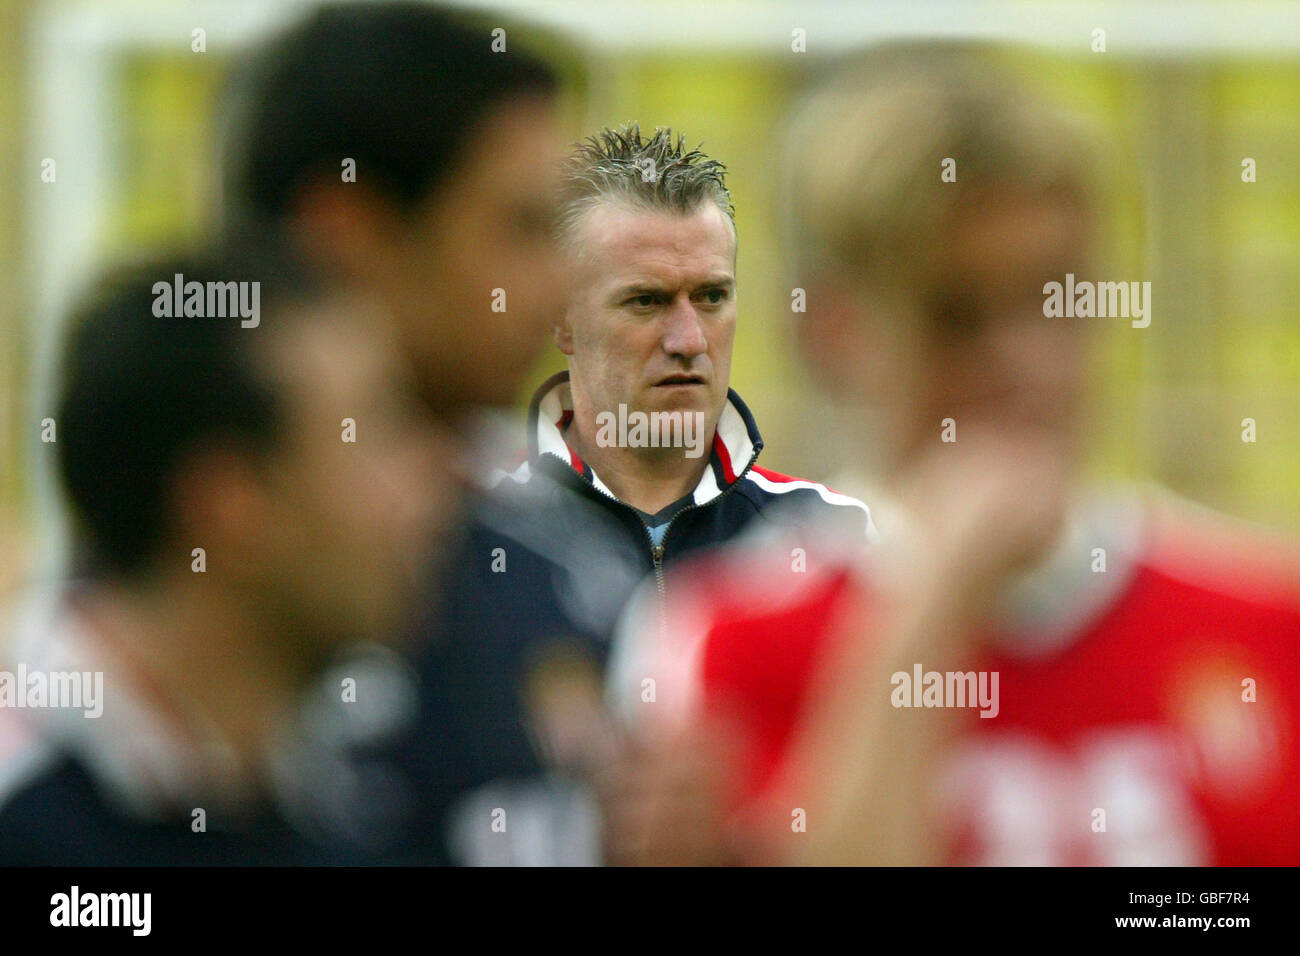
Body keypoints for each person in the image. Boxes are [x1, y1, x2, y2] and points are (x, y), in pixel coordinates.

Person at [608, 46, 1300, 866]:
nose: (1026, 361)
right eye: (958, 315)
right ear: (831, 333)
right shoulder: (729, 637)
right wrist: (934, 599)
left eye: (1057, 296)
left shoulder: (1262, 614)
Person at [0, 244, 445, 864]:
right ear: (229, 505)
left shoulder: (357, 782)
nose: (431, 475)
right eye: (377, 428)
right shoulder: (25, 810)